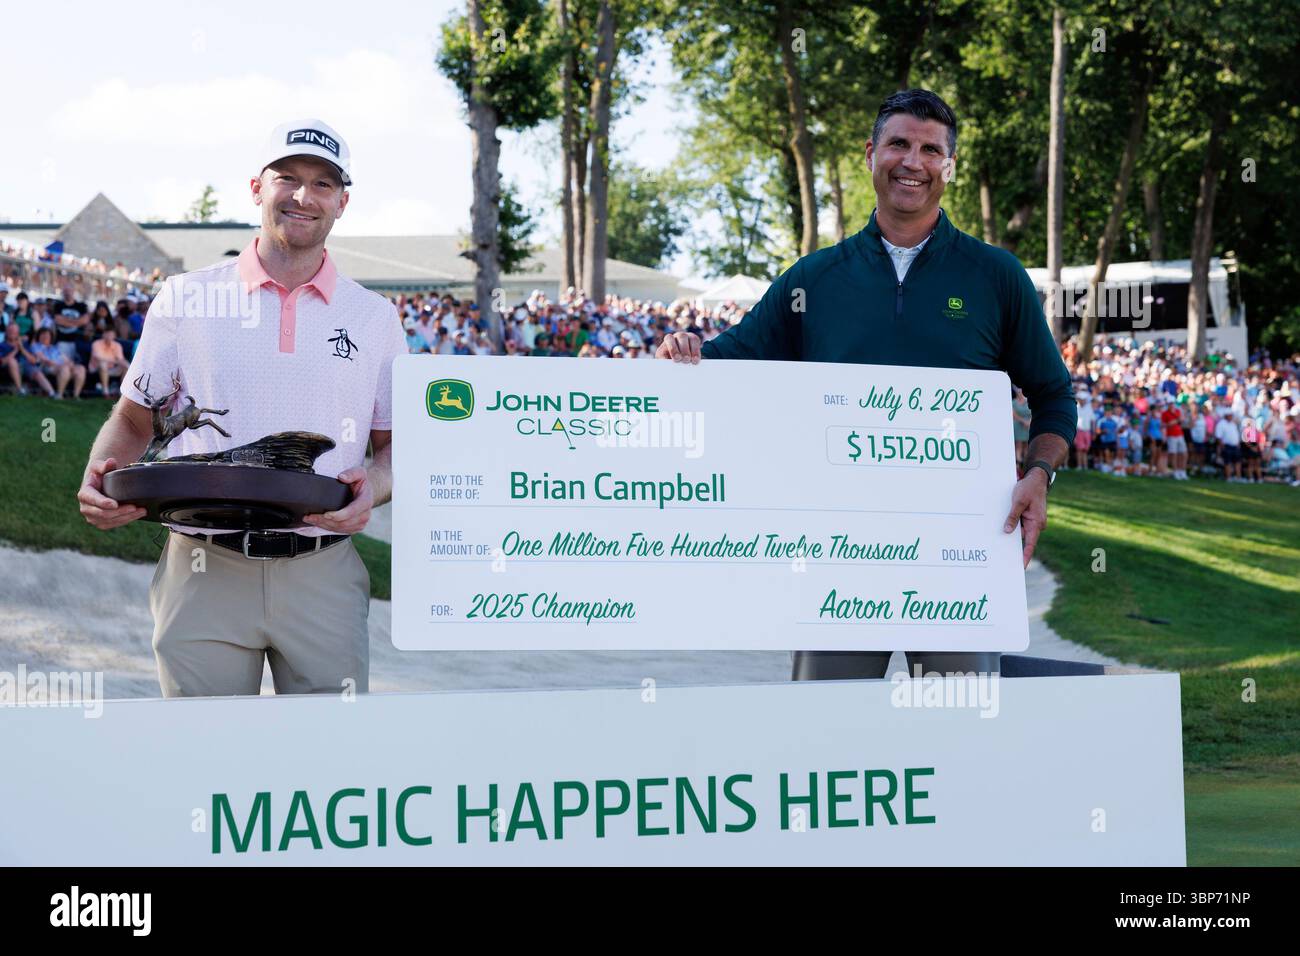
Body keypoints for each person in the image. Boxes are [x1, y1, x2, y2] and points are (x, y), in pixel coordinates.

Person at [656, 89, 1075, 682]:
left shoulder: (996, 276)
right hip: (841, 556)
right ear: (871, 152)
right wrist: (687, 352)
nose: (913, 161)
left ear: (948, 167)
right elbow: (730, 364)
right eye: (899, 143)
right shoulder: (815, 279)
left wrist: (1038, 475)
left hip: (960, 548)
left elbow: (1054, 394)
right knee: (827, 727)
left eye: (932, 150)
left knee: (965, 726)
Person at [77, 118, 406, 699]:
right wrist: (100, 475)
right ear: (257, 187)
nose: (304, 196)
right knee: (201, 766)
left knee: (326, 766)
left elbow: (394, 446)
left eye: (323, 184)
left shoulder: (375, 317)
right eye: (288, 178)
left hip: (322, 568)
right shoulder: (186, 297)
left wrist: (372, 488)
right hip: (203, 568)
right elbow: (134, 418)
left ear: (342, 202)